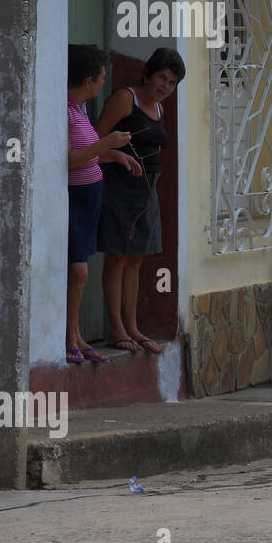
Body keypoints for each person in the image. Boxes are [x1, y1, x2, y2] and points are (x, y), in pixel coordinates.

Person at [95, 48, 185, 355]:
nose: (165, 86)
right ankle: (115, 329)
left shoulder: (159, 109)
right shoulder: (125, 99)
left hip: (146, 192)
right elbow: (92, 143)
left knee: (136, 259)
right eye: (162, 77)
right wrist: (117, 156)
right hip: (119, 188)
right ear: (147, 73)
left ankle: (132, 327)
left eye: (172, 83)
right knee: (118, 257)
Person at [67, 45, 141, 364]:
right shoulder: (65, 111)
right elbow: (68, 160)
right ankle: (70, 337)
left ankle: (77, 335)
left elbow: (90, 153)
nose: (102, 84)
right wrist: (106, 143)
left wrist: (114, 154)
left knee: (79, 270)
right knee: (78, 270)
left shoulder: (81, 109)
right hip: (74, 200)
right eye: (100, 78)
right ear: (87, 81)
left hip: (90, 199)